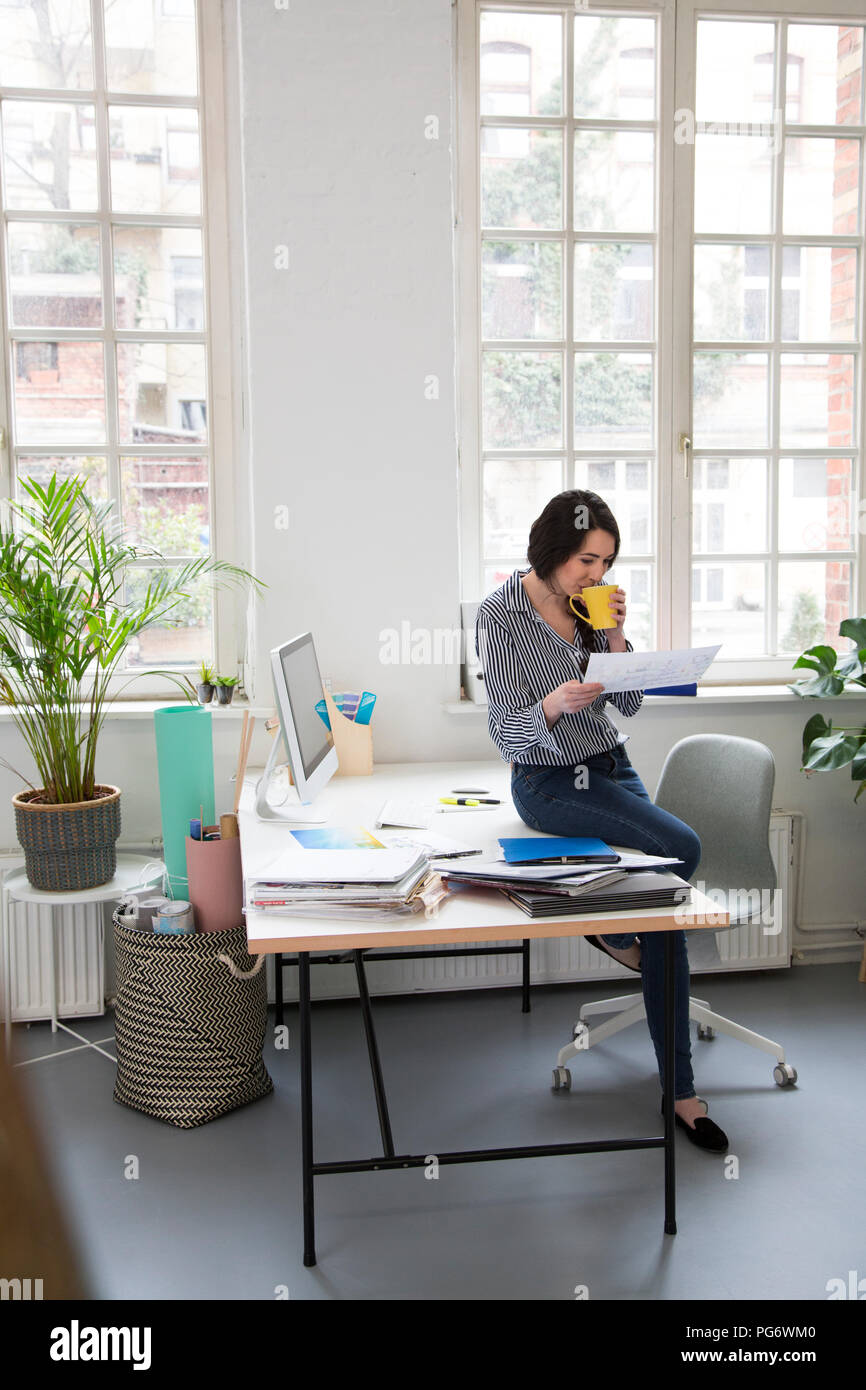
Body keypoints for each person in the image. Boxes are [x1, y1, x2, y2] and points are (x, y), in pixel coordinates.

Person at [475, 489, 728, 1152]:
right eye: (588, 560)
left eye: (607, 562)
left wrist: (615, 638)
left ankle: (679, 1091)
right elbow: (507, 734)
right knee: (681, 848)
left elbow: (632, 706)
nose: (598, 574)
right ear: (553, 550)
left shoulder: (592, 606)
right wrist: (555, 704)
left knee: (664, 916)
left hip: (609, 765)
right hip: (548, 781)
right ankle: (619, 938)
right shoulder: (499, 616)